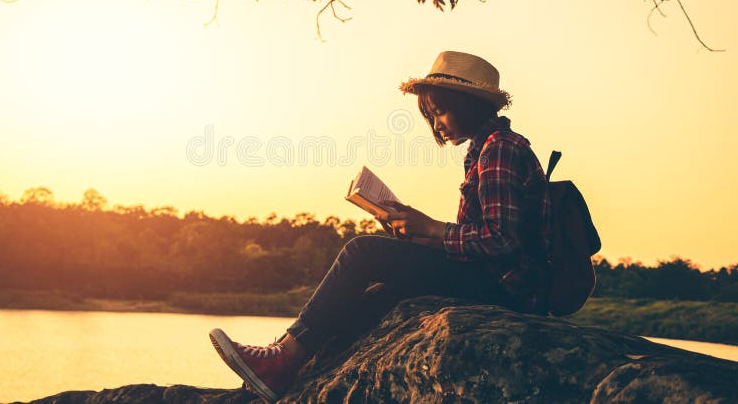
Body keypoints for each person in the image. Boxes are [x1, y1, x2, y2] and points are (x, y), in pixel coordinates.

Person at [209, 51, 552, 402]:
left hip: (503, 287)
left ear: (468, 104)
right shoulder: (484, 149)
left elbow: (503, 240)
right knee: (376, 300)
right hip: (487, 279)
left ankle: (282, 358)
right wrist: (419, 232)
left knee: (362, 251)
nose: (436, 125)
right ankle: (288, 363)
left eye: (439, 112)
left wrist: (432, 229)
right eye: (430, 116)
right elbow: (477, 238)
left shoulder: (500, 149)